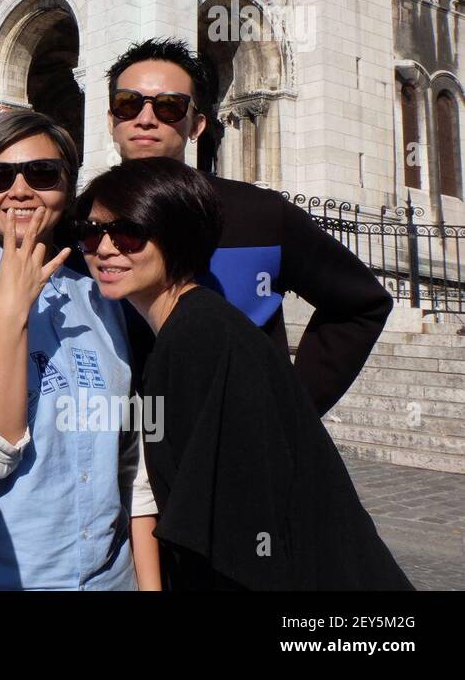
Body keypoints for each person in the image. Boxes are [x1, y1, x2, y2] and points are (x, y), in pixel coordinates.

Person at [75, 157, 413, 590]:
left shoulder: (198, 336)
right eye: (90, 232)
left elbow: (237, 525)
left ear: (178, 240)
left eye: (129, 233)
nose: (104, 248)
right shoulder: (196, 327)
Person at [0, 109, 155, 590]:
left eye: (42, 174)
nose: (20, 191)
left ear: (68, 185)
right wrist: (12, 311)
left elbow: (130, 455)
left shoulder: (99, 297)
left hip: (108, 578)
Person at [105, 38, 393, 413]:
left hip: (234, 456)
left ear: (197, 125)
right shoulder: (77, 225)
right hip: (109, 455)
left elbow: (360, 303)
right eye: (128, 104)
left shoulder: (260, 213)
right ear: (111, 119)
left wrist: (291, 413)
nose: (146, 118)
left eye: (169, 106)